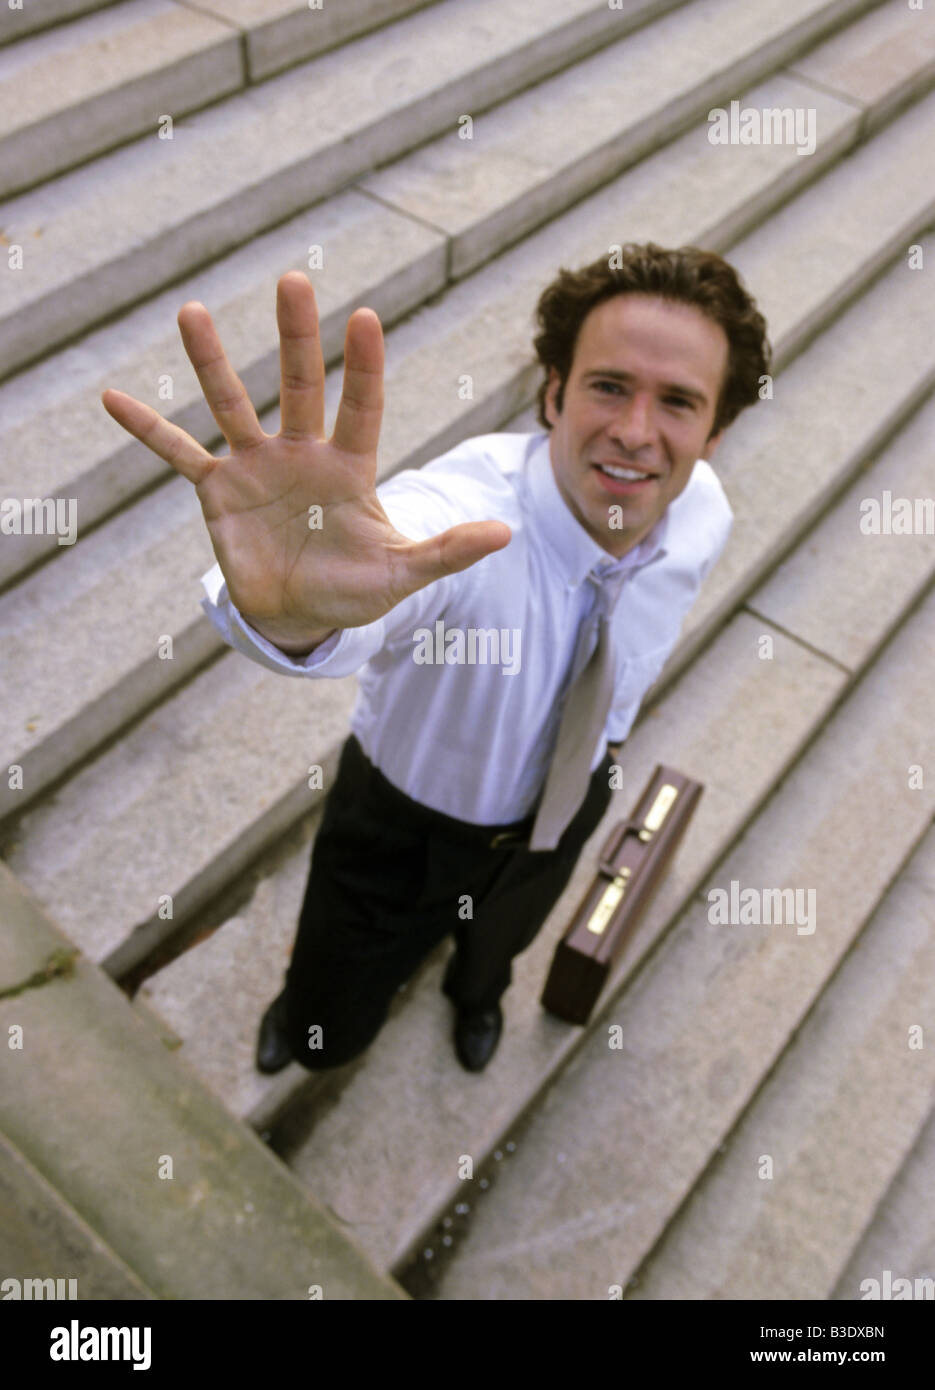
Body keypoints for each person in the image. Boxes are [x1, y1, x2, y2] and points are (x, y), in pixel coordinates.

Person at [101, 241, 770, 1074]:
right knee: (332, 998)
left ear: (714, 431)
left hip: (568, 800)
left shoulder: (701, 515)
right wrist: (302, 610)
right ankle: (308, 1021)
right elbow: (391, 570)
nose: (636, 432)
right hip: (401, 821)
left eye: (677, 401)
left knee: (498, 944)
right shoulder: (462, 523)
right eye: (607, 385)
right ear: (554, 391)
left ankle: (476, 993)